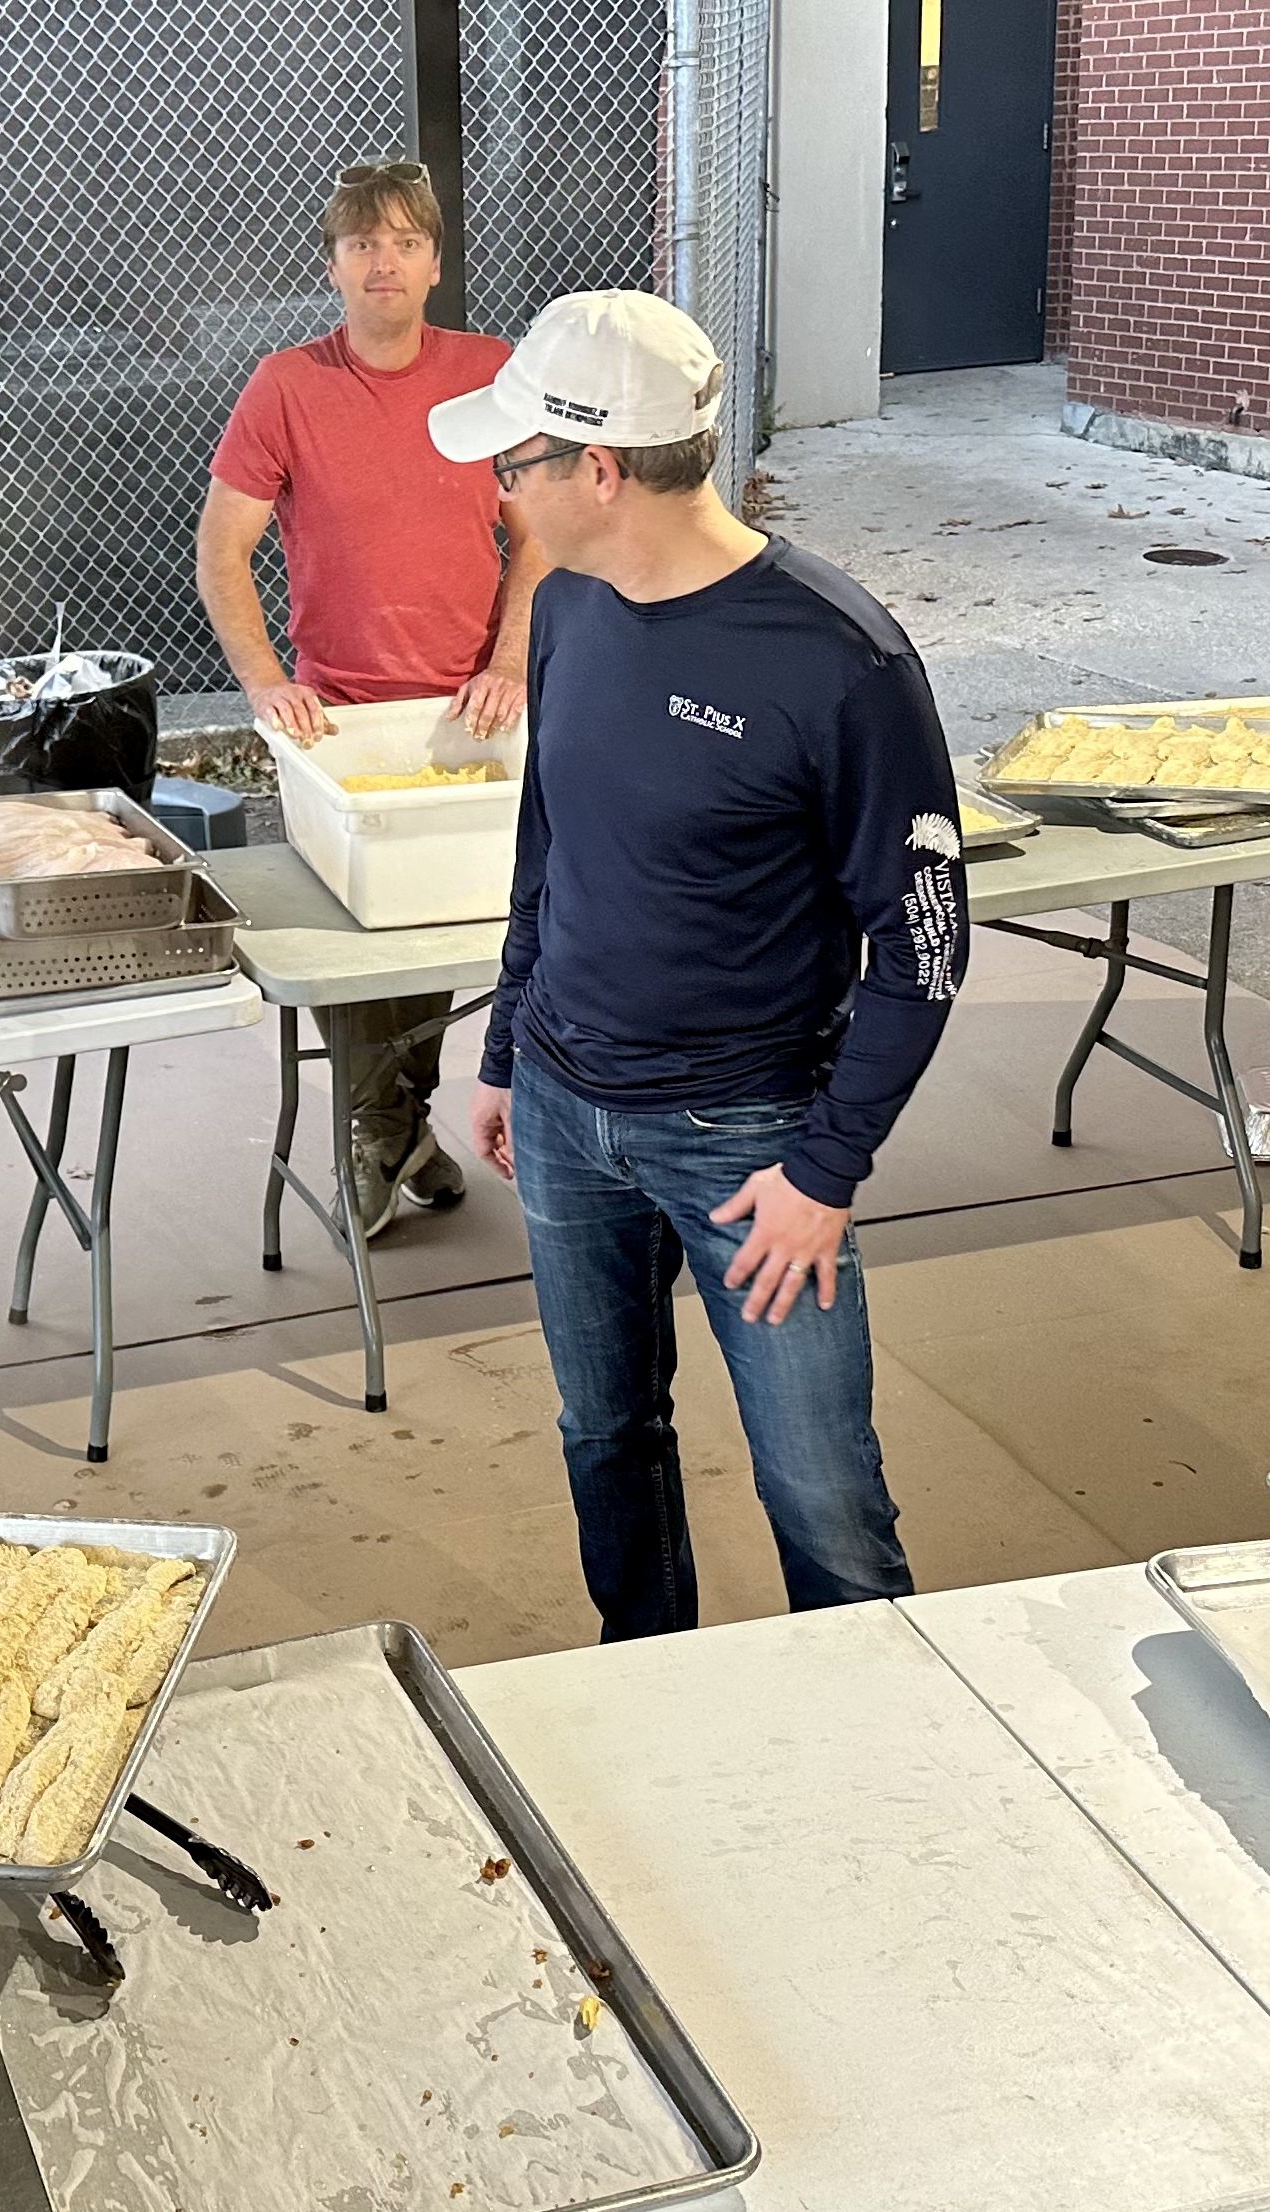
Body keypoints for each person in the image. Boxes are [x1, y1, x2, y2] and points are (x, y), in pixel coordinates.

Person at [435, 292, 969, 1642]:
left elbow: (925, 948)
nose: (504, 497)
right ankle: (642, 1674)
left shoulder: (840, 662)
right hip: (561, 1111)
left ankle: (889, 1749)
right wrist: (507, 1050)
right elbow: (546, 840)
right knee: (605, 1434)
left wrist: (823, 1174)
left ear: (598, 470)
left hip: (749, 1145)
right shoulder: (570, 609)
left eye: (517, 468)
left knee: (826, 1499)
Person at [196, 157, 549, 1235]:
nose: (381, 261)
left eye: (402, 241)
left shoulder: (493, 374)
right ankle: (377, 1134)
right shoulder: (288, 385)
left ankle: (397, 1131)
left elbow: (538, 536)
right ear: (333, 264)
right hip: (342, 719)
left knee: (448, 935)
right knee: (365, 946)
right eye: (361, 243)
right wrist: (265, 680)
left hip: (470, 713)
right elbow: (222, 549)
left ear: (436, 262)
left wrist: (508, 661)